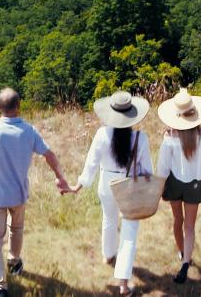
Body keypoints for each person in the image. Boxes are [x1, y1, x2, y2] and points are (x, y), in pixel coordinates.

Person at [0, 88, 75, 297]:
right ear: (18, 106)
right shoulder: (29, 131)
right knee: (16, 229)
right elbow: (50, 155)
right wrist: (60, 177)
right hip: (18, 195)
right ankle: (14, 261)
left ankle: (0, 286)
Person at [71, 90, 153, 296]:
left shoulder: (102, 134)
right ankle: (123, 283)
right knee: (129, 233)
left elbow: (91, 164)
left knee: (109, 219)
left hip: (107, 183)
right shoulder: (140, 138)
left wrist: (79, 185)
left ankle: (108, 255)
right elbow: (147, 171)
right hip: (130, 185)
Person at [155, 88, 201, 284]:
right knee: (190, 226)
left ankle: (181, 252)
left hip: (174, 183)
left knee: (177, 220)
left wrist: (158, 188)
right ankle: (186, 261)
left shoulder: (169, 138)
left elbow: (163, 168)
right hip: (195, 183)